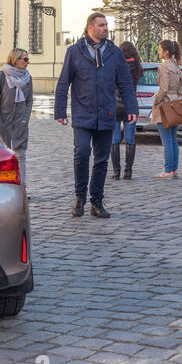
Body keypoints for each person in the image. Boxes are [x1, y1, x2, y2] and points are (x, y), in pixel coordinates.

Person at [54, 12, 138, 219]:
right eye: (101, 25)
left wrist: (132, 108)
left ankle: (97, 202)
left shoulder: (114, 53)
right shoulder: (75, 51)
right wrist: (60, 110)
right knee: (82, 153)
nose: (106, 28)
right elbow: (64, 82)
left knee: (101, 159)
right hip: (83, 112)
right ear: (90, 27)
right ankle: (79, 197)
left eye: (106, 25)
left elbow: (125, 83)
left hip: (106, 113)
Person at [0, 49, 32, 183]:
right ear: (15, 59)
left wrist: (25, 118)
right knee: (3, 155)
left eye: (27, 59)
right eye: (24, 59)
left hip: (20, 122)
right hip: (3, 121)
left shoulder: (27, 77)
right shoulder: (1, 76)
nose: (27, 62)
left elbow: (29, 100)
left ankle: (22, 188)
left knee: (21, 155)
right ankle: (5, 185)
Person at [150, 39, 182, 180]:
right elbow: (179, 87)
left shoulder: (164, 67)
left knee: (167, 140)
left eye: (159, 49)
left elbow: (163, 89)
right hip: (175, 104)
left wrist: (157, 100)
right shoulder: (176, 66)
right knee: (173, 138)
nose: (158, 52)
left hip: (165, 106)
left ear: (166, 52)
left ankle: (168, 170)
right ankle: (173, 168)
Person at [111, 40, 142, 180]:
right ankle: (128, 171)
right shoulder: (137, 67)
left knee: (115, 139)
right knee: (130, 139)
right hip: (131, 106)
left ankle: (116, 171)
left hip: (115, 106)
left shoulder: (115, 66)